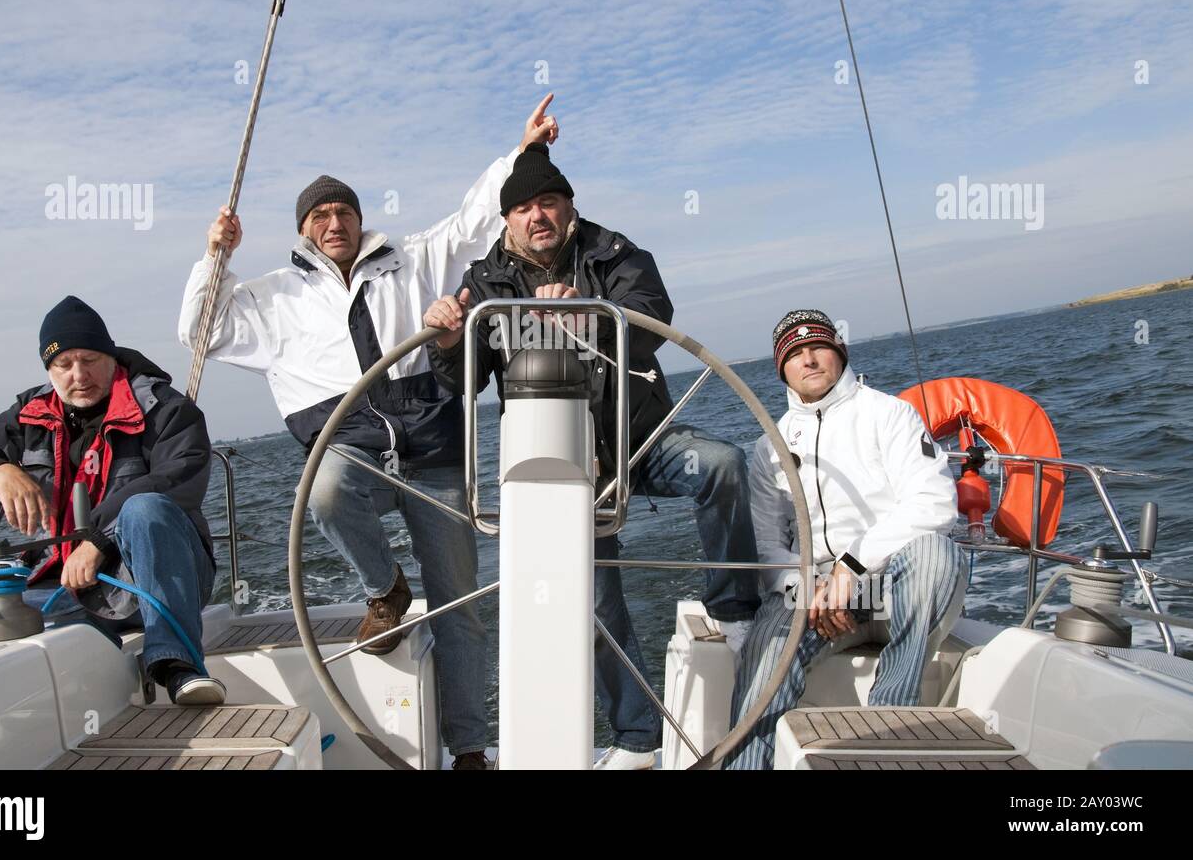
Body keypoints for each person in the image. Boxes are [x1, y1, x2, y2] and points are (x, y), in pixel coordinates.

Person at [178, 97, 559, 770]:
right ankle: (385, 590)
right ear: (302, 229)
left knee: (461, 607)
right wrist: (216, 257)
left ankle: (468, 747)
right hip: (351, 450)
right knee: (323, 494)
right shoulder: (271, 299)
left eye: (343, 211)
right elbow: (200, 333)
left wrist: (524, 153)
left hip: (433, 452)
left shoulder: (412, 260)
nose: (334, 222)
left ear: (359, 219)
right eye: (320, 215)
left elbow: (477, 219)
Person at [423, 142, 760, 769]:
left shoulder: (614, 255)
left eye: (547, 201)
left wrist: (593, 319)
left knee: (721, 466)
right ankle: (638, 740)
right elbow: (461, 382)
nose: (536, 216)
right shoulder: (483, 284)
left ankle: (735, 613)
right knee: (595, 601)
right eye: (522, 207)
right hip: (563, 469)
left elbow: (653, 312)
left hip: (641, 443)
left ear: (569, 207)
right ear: (507, 220)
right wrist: (447, 340)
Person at [0, 296, 223, 705]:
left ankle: (177, 666)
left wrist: (100, 540)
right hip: (64, 586)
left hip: (150, 581)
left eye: (89, 359)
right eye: (63, 365)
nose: (79, 375)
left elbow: (181, 477)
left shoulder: (165, 408)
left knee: (147, 507)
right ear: (49, 370)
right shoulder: (31, 412)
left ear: (111, 356)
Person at [725, 309, 963, 769]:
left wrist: (851, 566)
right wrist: (807, 590)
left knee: (935, 552)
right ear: (782, 369)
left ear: (840, 352)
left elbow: (934, 503)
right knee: (766, 650)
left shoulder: (890, 414)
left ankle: (888, 727)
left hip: (899, 585)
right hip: (817, 595)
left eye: (819, 347)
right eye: (794, 353)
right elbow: (767, 546)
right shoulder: (768, 447)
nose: (809, 359)